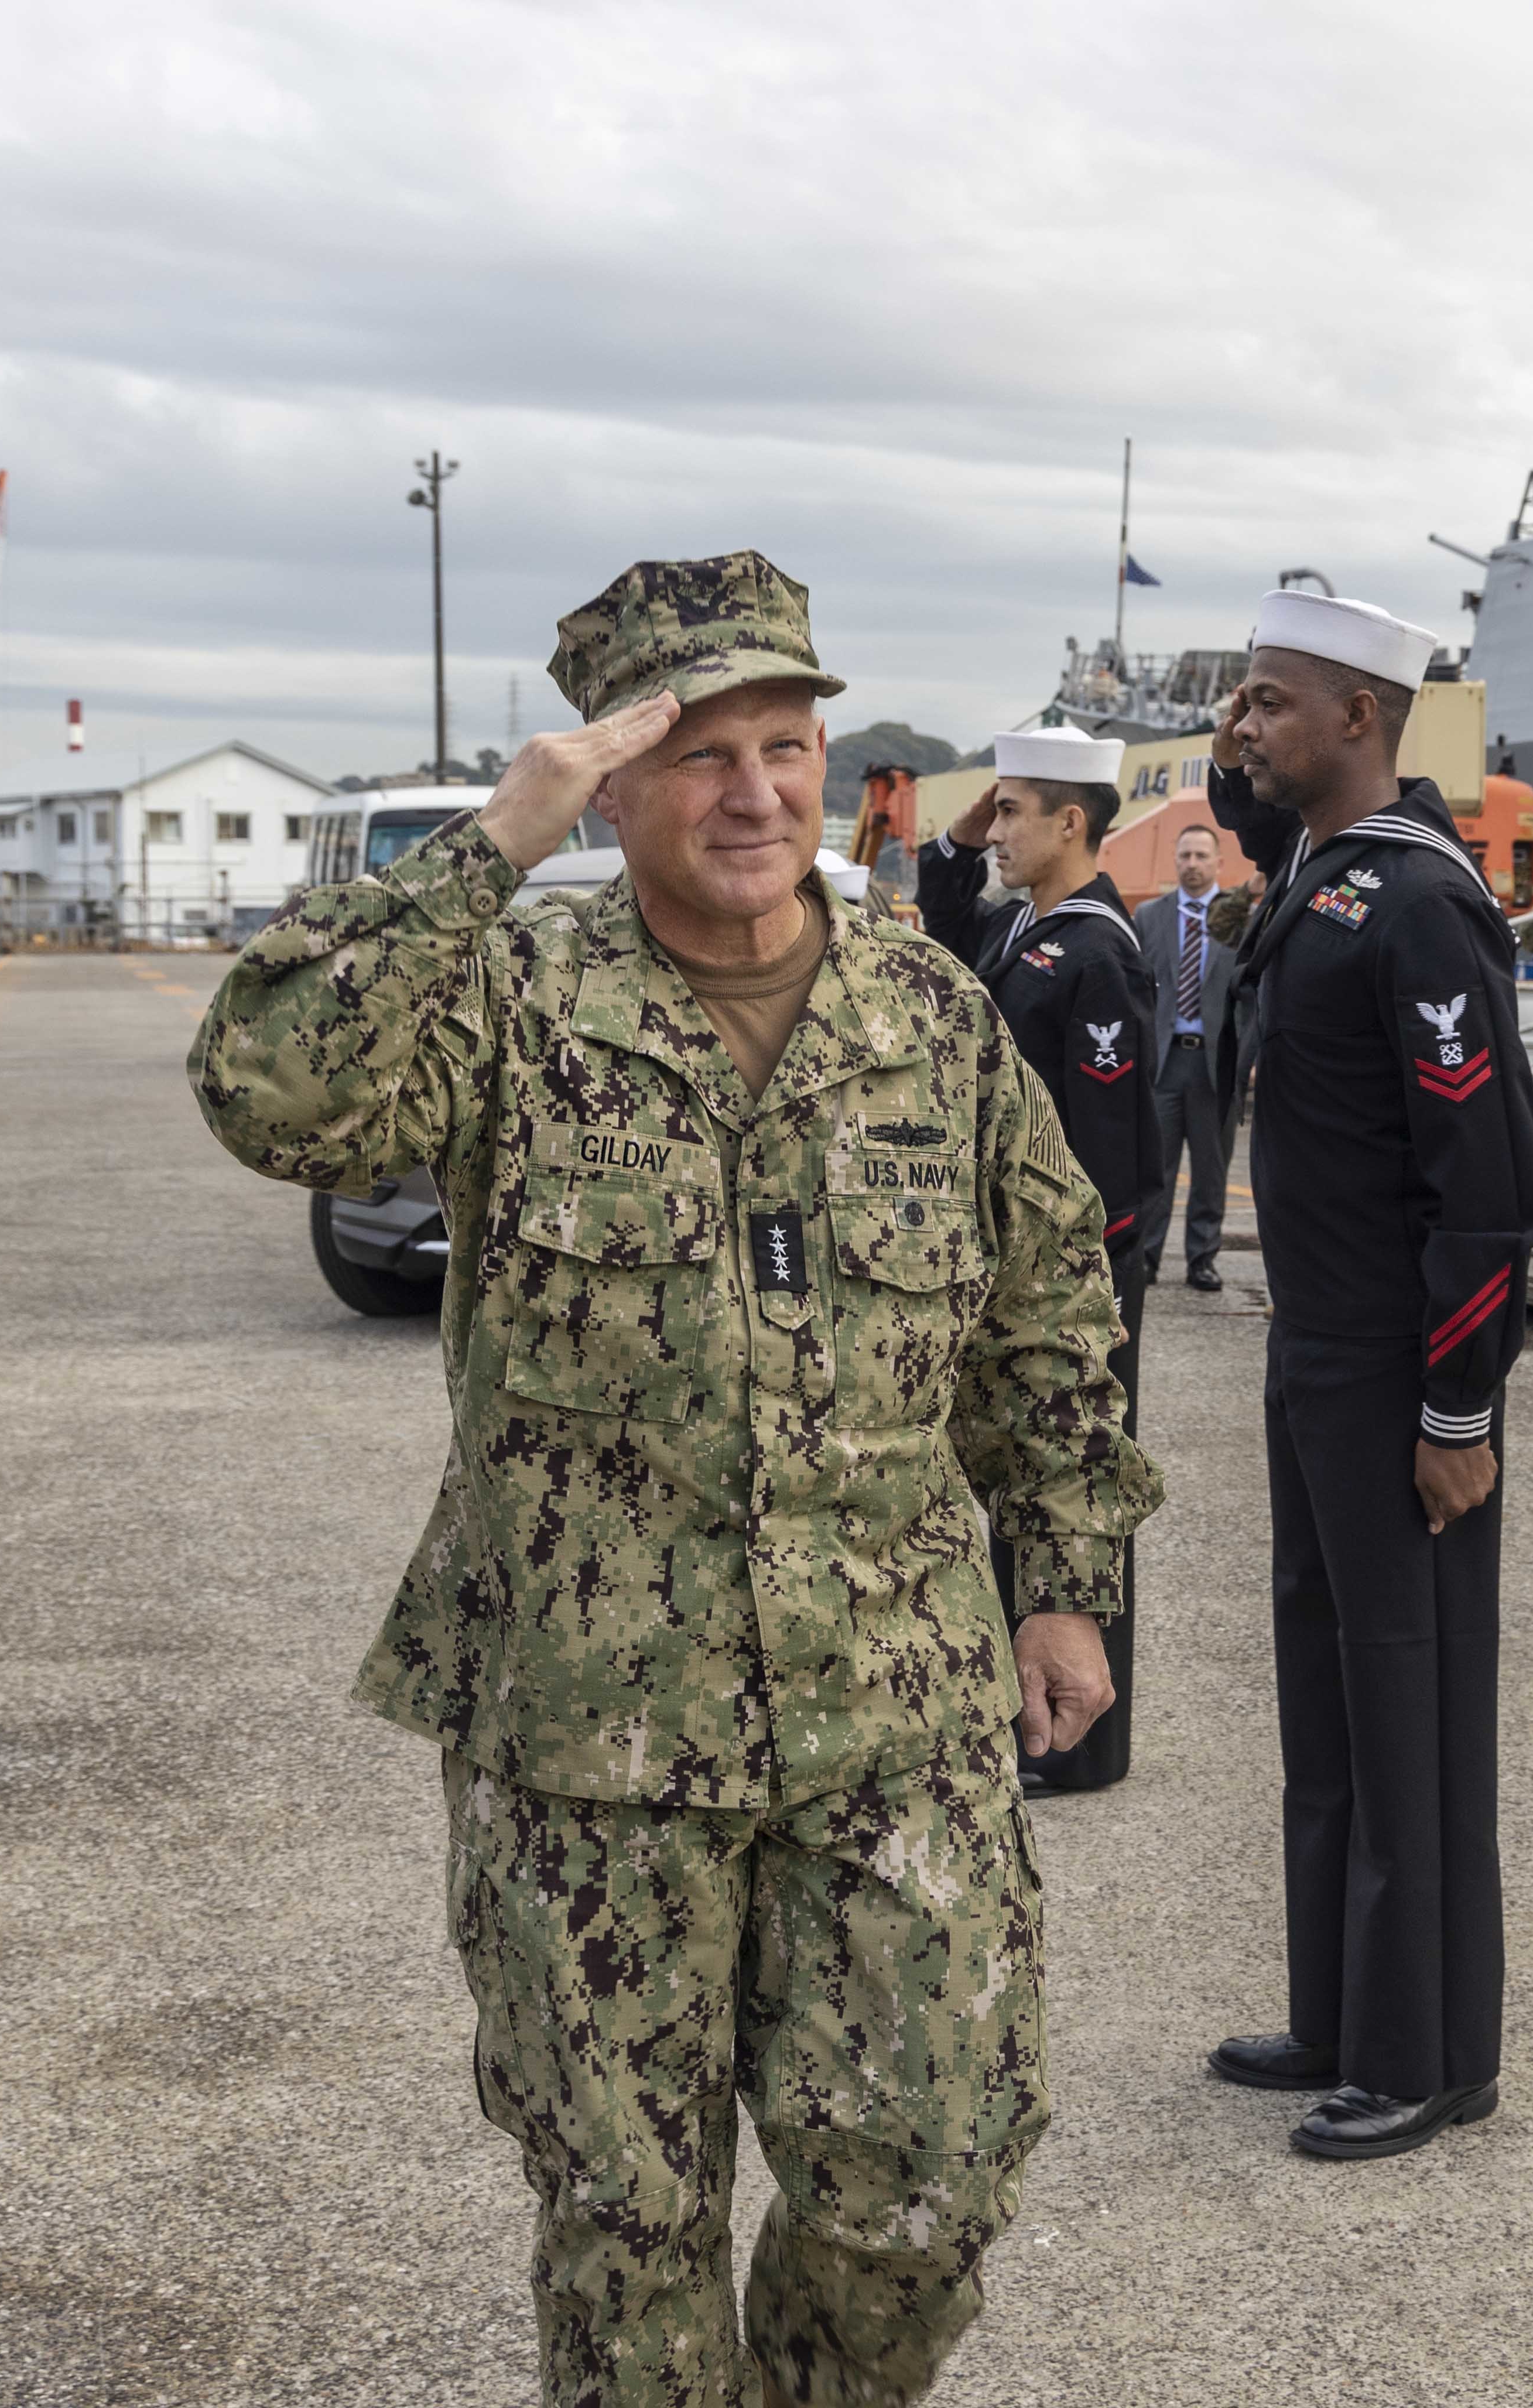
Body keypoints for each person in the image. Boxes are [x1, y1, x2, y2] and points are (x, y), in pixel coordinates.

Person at [189, 550, 1158, 2405]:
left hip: (891, 1704)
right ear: (609, 782)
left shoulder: (927, 1012)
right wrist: (491, 841)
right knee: (625, 2223)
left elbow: (1044, 1305)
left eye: (785, 744)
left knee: (927, 2180)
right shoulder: (516, 997)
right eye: (694, 751)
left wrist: (1065, 1570)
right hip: (590, 1734)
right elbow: (271, 1090)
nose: (754, 792)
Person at [1199, 587, 1533, 2163]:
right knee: (1328, 1691)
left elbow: (1484, 1181)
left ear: (1359, 717)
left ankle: (1427, 2056)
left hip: (1398, 1371)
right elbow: (1248, 807)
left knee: (1410, 1705)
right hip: (1311, 1349)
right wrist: (1240, 742)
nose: (1241, 726)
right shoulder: (1321, 880)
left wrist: (1458, 1406)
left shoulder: (1418, 904)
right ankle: (1342, 2010)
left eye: (1269, 700)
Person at [916, 724, 1162, 1794]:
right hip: (1016, 1277)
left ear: (1074, 822)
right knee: (1017, 1502)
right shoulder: (1030, 930)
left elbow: (1113, 1159)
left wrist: (1090, 1300)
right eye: (994, 808)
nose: (998, 826)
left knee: (1071, 1507)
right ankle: (1031, 1721)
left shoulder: (1098, 951)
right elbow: (940, 946)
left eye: (1015, 809)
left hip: (1073, 1289)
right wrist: (961, 837)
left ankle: (1079, 1743)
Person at [1135, 820, 1240, 1291]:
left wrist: (1250, 1054)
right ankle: (1147, 1257)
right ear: (1174, 861)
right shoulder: (1149, 917)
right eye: (1185, 856)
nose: (1193, 865)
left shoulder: (1240, 918)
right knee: (1156, 1167)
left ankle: (1202, 1258)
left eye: (1202, 856)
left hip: (1215, 1063)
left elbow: (1252, 995)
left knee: (1211, 1167)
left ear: (1219, 863)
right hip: (1164, 1060)